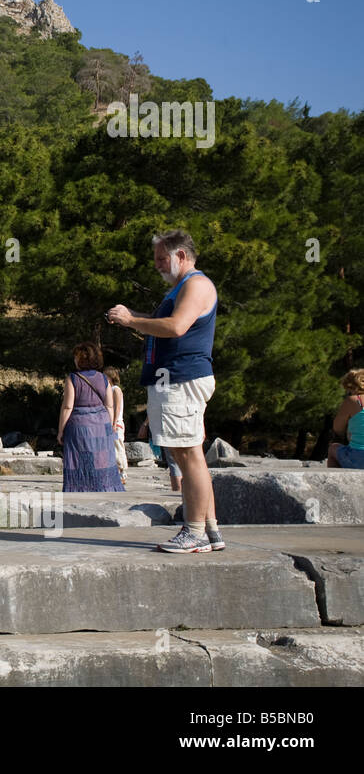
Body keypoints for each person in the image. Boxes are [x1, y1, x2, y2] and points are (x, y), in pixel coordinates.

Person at [108, 229, 222, 553]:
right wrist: (132, 316)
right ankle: (211, 529)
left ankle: (194, 531)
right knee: (190, 454)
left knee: (188, 456)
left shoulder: (196, 285)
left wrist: (132, 321)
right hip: (172, 378)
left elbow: (176, 327)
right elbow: (168, 321)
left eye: (162, 258)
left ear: (181, 256)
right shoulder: (182, 288)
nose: (157, 265)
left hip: (181, 378)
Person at [57, 343, 123, 492]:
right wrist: (111, 424)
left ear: (80, 359)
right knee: (102, 459)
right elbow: (109, 405)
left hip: (79, 425)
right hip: (102, 424)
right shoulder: (104, 378)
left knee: (79, 459)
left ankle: (81, 488)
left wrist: (61, 430)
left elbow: (68, 407)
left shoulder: (72, 379)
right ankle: (105, 488)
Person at [328, 368, 364, 469]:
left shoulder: (354, 400)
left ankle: (336, 483)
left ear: (352, 387)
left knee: (333, 448)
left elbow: (338, 428)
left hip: (360, 457)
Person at [104, 366, 129, 487]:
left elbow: (117, 407)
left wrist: (114, 423)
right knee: (111, 449)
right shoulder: (108, 390)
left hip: (117, 423)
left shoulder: (116, 389)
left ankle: (122, 473)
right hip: (110, 423)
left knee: (118, 448)